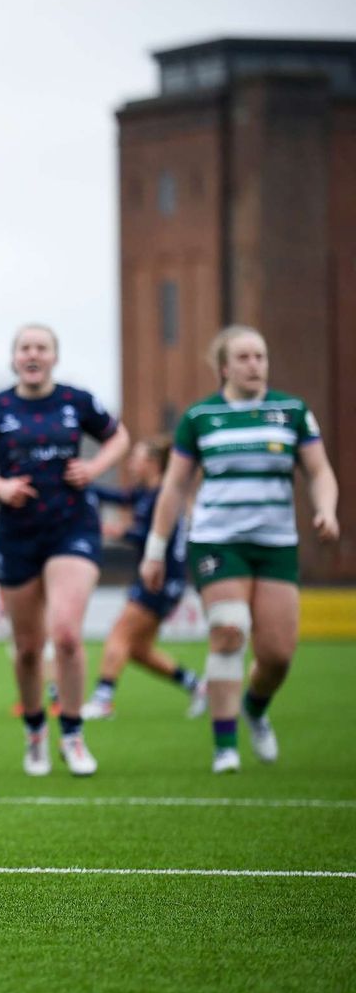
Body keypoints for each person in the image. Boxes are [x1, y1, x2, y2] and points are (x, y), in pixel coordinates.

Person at [141, 325, 339, 773]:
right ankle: (225, 746)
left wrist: (326, 509)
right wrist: (155, 550)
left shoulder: (292, 411)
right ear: (224, 367)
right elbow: (173, 488)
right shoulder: (199, 418)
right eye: (245, 357)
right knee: (229, 630)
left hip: (275, 544)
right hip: (217, 540)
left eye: (261, 356)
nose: (255, 365)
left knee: (277, 655)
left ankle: (255, 709)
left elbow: (319, 471)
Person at [0, 324, 129, 777]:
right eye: (25, 348)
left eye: (42, 348)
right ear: (14, 359)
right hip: (18, 533)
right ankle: (35, 734)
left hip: (73, 526)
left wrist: (94, 468)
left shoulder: (76, 402)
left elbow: (120, 438)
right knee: (29, 649)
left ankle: (72, 734)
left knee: (66, 634)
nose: (33, 354)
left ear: (54, 357)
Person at [80, 438, 207, 721]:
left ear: (151, 464)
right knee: (137, 649)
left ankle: (103, 700)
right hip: (162, 580)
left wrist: (119, 531)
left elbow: (156, 535)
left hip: (161, 579)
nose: (131, 464)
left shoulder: (164, 496)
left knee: (118, 634)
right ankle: (198, 687)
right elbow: (116, 497)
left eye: (135, 458)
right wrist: (81, 480)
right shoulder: (144, 493)